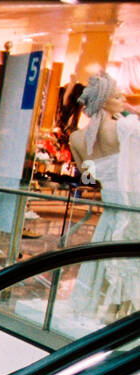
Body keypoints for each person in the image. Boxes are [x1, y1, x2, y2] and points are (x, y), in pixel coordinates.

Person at [68, 73, 140, 323]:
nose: (123, 100)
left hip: (110, 208)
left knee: (105, 259)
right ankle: (118, 318)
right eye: (118, 95)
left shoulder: (77, 138)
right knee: (130, 261)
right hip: (132, 208)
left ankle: (106, 315)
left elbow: (88, 175)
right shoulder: (125, 128)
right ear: (105, 101)